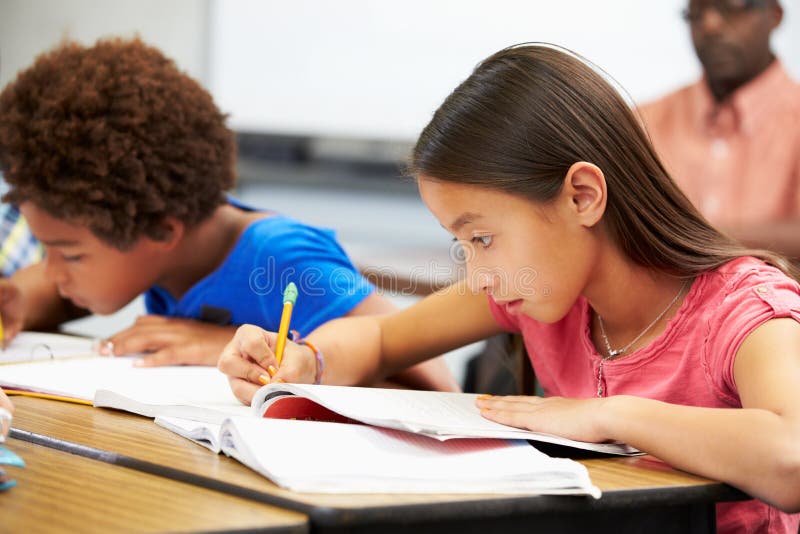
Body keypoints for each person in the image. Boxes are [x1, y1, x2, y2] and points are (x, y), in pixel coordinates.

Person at [218, 44, 800, 533]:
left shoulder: (745, 311)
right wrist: (305, 360)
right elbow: (379, 338)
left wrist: (611, 416)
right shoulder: (544, 292)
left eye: (483, 238)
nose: (478, 274)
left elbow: (791, 456)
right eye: (463, 244)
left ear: (582, 197)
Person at [0, 38, 458, 392]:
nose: (52, 270)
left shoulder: (282, 258)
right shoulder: (153, 246)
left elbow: (435, 382)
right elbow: (54, 290)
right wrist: (15, 302)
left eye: (70, 255)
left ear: (162, 230)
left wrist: (222, 346)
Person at [639, 0, 800, 258]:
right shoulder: (643, 121)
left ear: (774, 15)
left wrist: (693, 239)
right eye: (697, 13)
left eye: (732, 8)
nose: (710, 24)